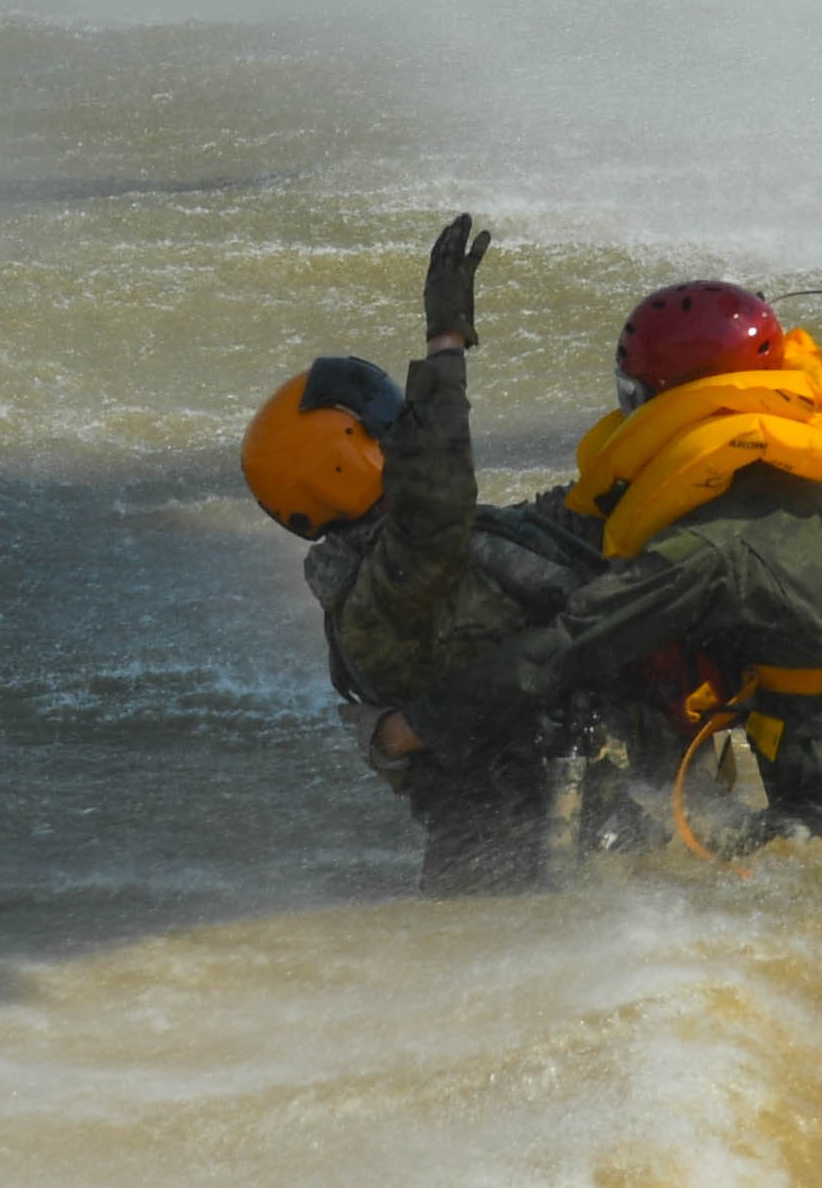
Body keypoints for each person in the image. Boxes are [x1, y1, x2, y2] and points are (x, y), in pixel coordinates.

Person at [397, 280, 822, 851]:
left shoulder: (710, 546)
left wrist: (419, 724)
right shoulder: (791, 458)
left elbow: (570, 643)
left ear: (667, 398)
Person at [239, 215, 675, 893]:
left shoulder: (420, 558)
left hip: (557, 801)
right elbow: (437, 500)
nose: (402, 432)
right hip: (514, 826)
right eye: (386, 422)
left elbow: (554, 518)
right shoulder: (383, 589)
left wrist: (665, 420)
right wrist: (444, 344)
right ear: (340, 458)